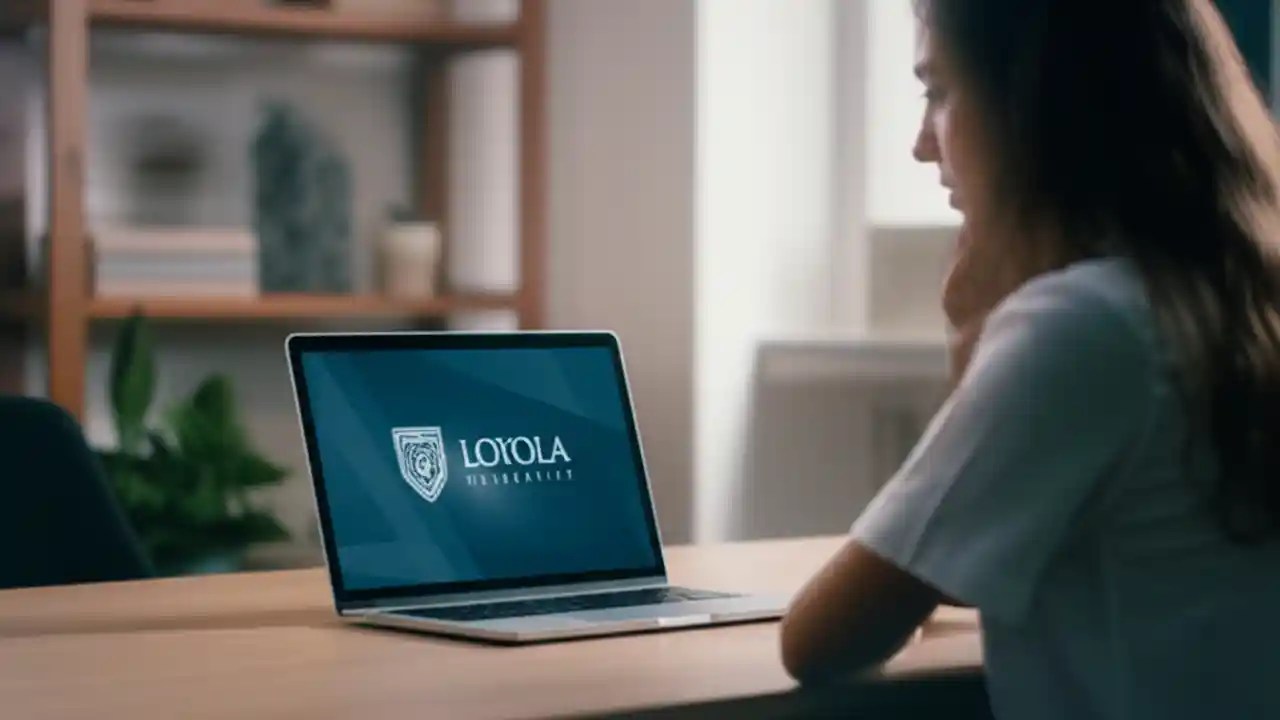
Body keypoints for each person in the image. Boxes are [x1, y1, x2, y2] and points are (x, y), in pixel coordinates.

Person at [779, 0, 1280, 718]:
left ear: (1037, 104)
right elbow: (958, 574)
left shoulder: (1083, 326)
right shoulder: (1233, 296)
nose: (924, 144)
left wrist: (979, 335)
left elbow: (822, 638)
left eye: (939, 92)